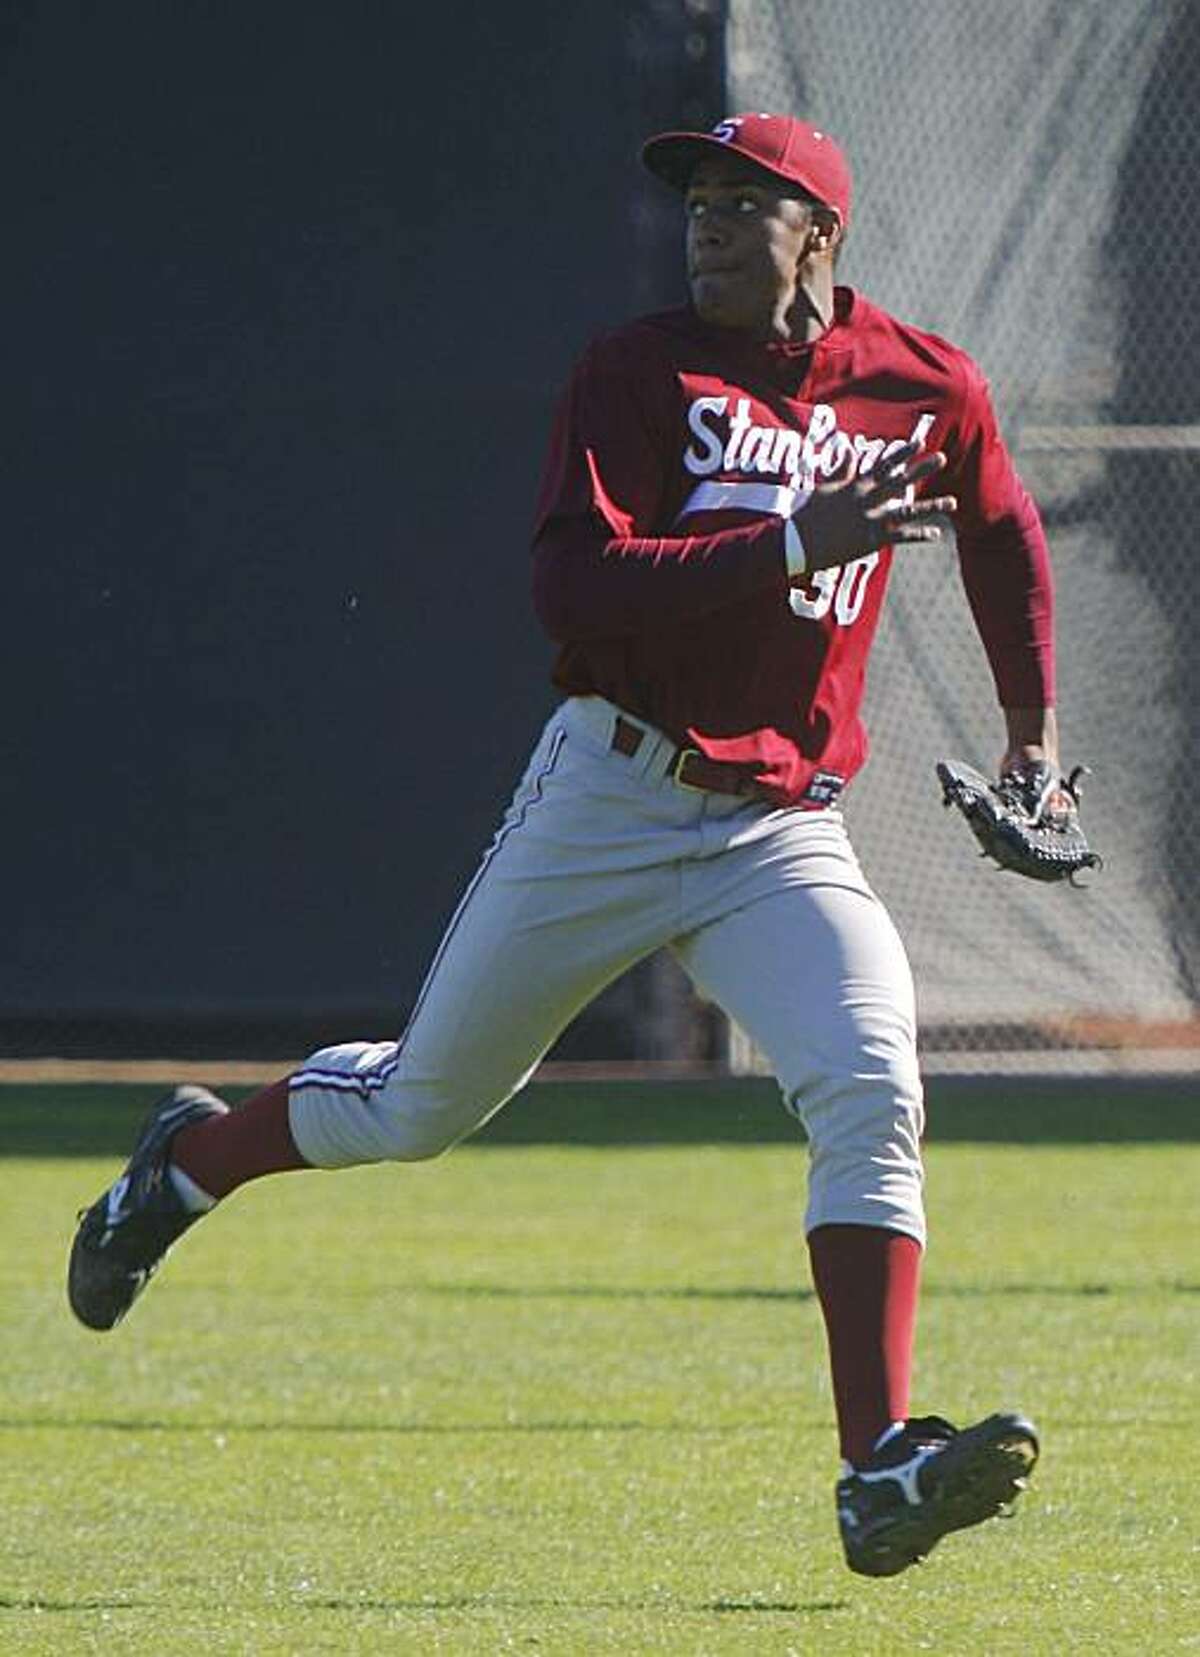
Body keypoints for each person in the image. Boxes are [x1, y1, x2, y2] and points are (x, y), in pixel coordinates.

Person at [68, 112, 1050, 1577]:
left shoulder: (920, 381)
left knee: (869, 1085)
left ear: (820, 236)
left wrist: (1032, 736)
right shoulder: (636, 370)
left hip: (782, 826)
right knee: (419, 1108)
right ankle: (187, 1164)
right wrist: (793, 542)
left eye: (741, 202)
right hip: (614, 791)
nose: (705, 224)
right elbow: (574, 592)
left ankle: (878, 1463)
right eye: (696, 202)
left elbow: (1002, 520)